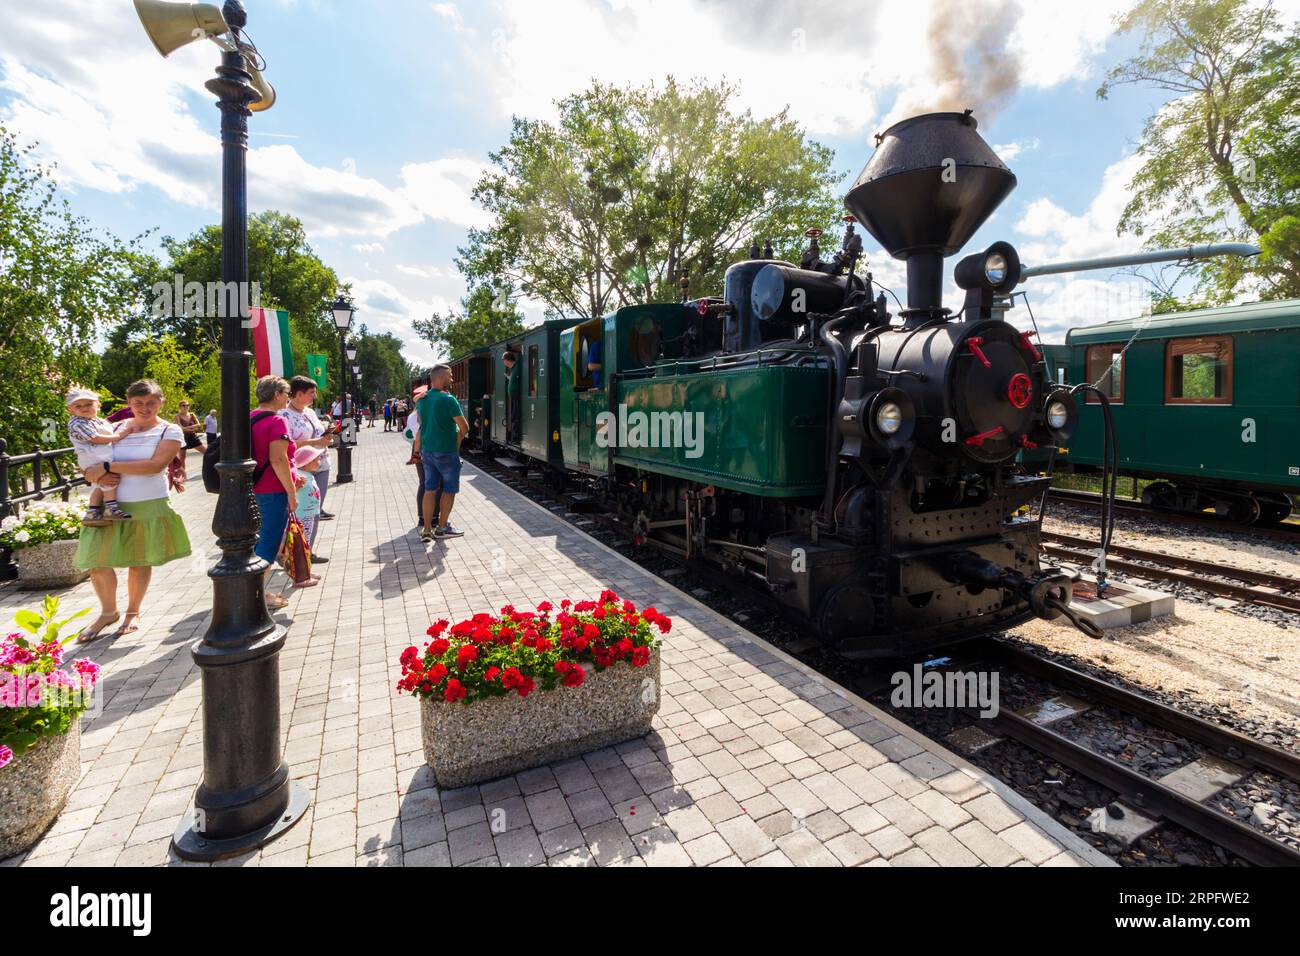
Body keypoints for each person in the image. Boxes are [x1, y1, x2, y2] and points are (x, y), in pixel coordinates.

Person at [75, 379, 192, 642]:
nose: (145, 408)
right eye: (138, 403)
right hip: (107, 504)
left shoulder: (169, 430)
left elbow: (155, 465)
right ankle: (108, 612)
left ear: (160, 402)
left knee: (139, 560)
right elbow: (89, 459)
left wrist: (107, 468)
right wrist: (91, 471)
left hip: (147, 502)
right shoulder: (113, 428)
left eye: (151, 402)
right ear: (129, 403)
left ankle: (132, 612)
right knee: (97, 561)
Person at [251, 375, 301, 611]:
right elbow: (278, 459)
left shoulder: (250, 417)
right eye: (287, 393)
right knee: (269, 542)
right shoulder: (276, 421)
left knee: (258, 539)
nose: (288, 397)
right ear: (276, 395)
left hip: (253, 488)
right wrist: (291, 492)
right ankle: (255, 592)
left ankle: (252, 588)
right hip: (272, 489)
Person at [415, 364, 469, 541]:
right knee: (449, 490)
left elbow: (422, 424)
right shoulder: (449, 400)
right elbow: (464, 427)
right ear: (440, 378)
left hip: (428, 452)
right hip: (446, 451)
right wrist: (457, 440)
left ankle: (426, 530)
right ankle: (442, 528)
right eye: (450, 376)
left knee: (429, 489)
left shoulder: (422, 399)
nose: (452, 379)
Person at [282, 375, 335, 552]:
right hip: (301, 469)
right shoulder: (284, 416)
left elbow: (318, 435)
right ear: (298, 394)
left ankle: (307, 551)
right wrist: (315, 442)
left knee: (315, 511)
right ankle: (293, 552)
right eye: (311, 393)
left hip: (321, 464)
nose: (314, 396)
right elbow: (287, 445)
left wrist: (326, 438)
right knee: (300, 511)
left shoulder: (310, 412)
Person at [66, 388, 134, 526]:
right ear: (70, 410)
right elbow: (95, 438)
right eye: (78, 406)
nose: (84, 408)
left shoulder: (98, 421)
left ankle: (92, 511)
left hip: (97, 454)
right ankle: (111, 508)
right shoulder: (77, 423)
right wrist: (119, 436)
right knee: (110, 479)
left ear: (98, 405)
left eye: (89, 404)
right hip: (92, 456)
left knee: (100, 483)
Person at [291, 446, 324, 588]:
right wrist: (296, 486)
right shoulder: (299, 475)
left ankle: (306, 571)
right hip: (302, 516)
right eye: (316, 459)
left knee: (307, 544)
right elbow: (292, 490)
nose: (319, 461)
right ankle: (301, 576)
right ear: (306, 462)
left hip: (310, 514)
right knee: (301, 546)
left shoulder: (308, 474)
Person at [504, 351, 522, 443]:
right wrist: (509, 378)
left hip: (517, 396)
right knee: (514, 415)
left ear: (508, 360)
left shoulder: (517, 367)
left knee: (515, 416)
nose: (504, 362)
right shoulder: (514, 368)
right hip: (514, 397)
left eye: (504, 360)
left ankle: (516, 438)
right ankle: (514, 437)